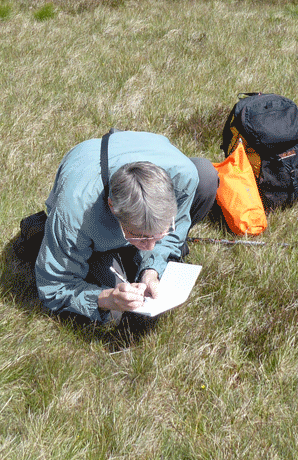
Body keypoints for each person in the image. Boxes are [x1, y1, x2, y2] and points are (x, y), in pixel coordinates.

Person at [34, 130, 219, 323]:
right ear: (112, 207)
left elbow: (177, 225)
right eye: (140, 236)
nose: (152, 246)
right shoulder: (75, 212)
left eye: (159, 235)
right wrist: (107, 298)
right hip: (82, 207)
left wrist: (151, 271)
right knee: (113, 314)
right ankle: (47, 239)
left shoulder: (184, 177)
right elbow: (54, 287)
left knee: (205, 174)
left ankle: (131, 250)